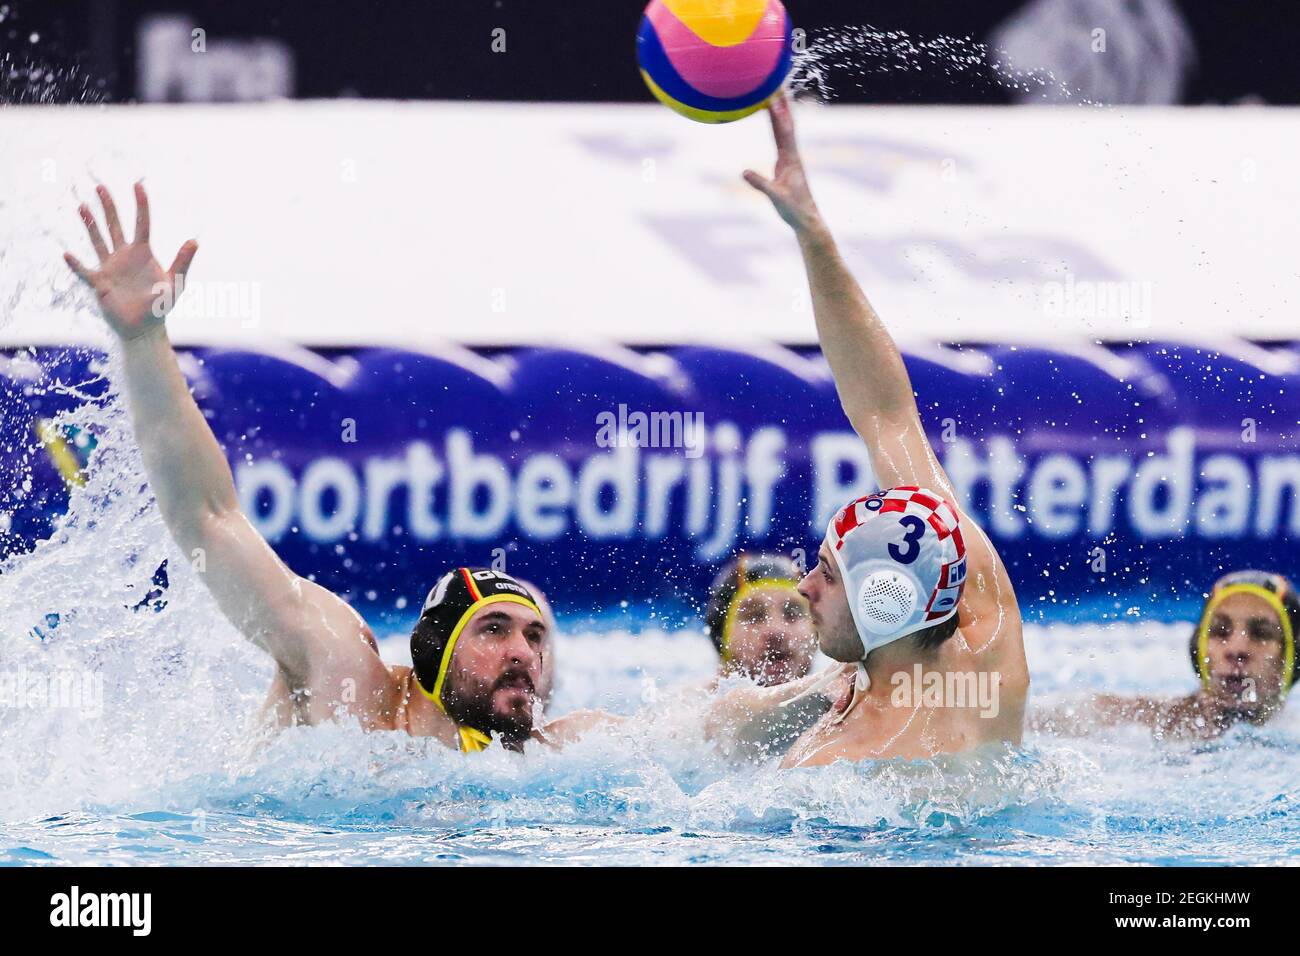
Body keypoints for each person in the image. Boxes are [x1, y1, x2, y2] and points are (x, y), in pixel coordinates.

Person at [64, 184, 590, 753]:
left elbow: (693, 733)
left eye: (534, 637)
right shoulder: (346, 683)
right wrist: (145, 340)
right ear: (435, 650)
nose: (523, 653)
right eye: (494, 630)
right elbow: (208, 518)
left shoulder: (550, 753)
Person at [704, 94, 1030, 766]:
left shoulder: (838, 764)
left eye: (827, 574)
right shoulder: (989, 654)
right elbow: (885, 411)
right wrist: (813, 234)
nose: (803, 589)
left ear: (882, 603)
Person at [1033, 570, 1297, 741]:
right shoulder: (1143, 721)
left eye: (1261, 634)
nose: (1236, 649)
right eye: (1220, 631)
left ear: (1292, 658)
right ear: (1198, 650)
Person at [704, 553, 817, 687]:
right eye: (754, 616)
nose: (777, 631)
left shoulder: (841, 692)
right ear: (721, 634)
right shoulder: (691, 703)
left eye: (792, 614)